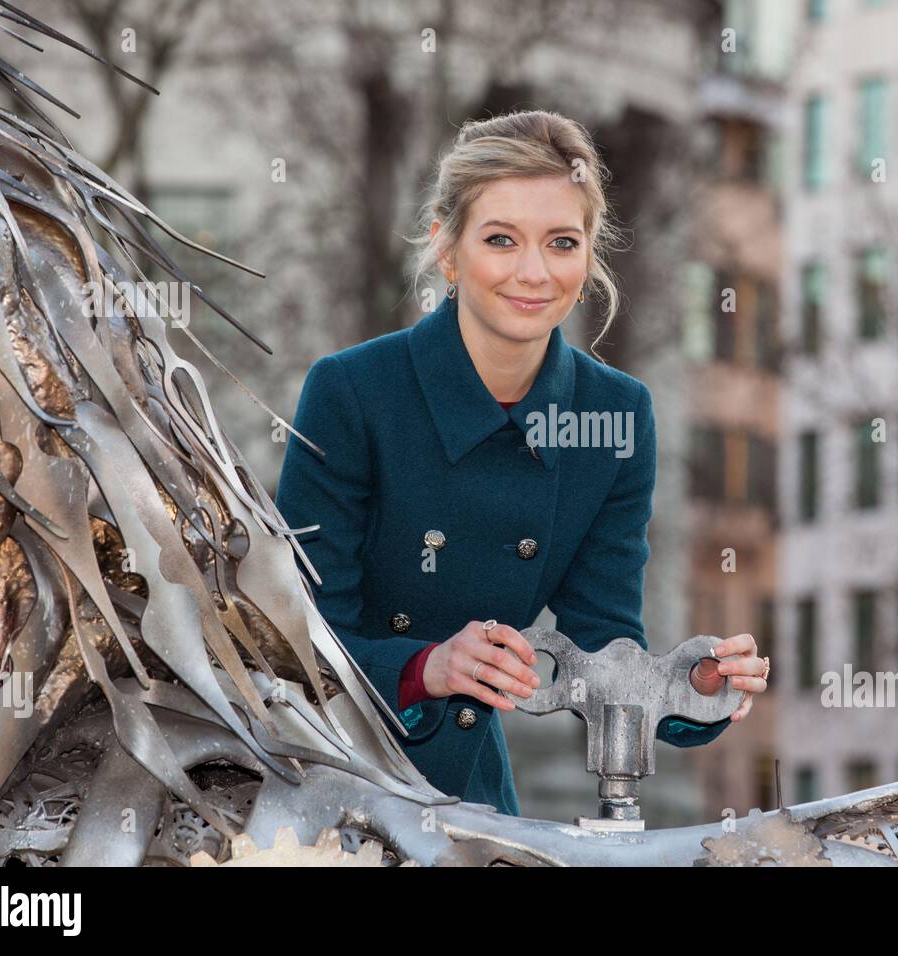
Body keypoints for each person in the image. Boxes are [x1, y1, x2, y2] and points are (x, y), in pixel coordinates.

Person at [274, 109, 769, 817]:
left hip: (471, 807)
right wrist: (428, 667)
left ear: (588, 255)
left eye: (562, 243)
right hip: (322, 790)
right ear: (448, 250)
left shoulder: (616, 414)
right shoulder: (353, 392)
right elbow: (294, 641)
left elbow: (603, 650)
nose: (534, 273)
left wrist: (695, 686)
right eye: (501, 239)